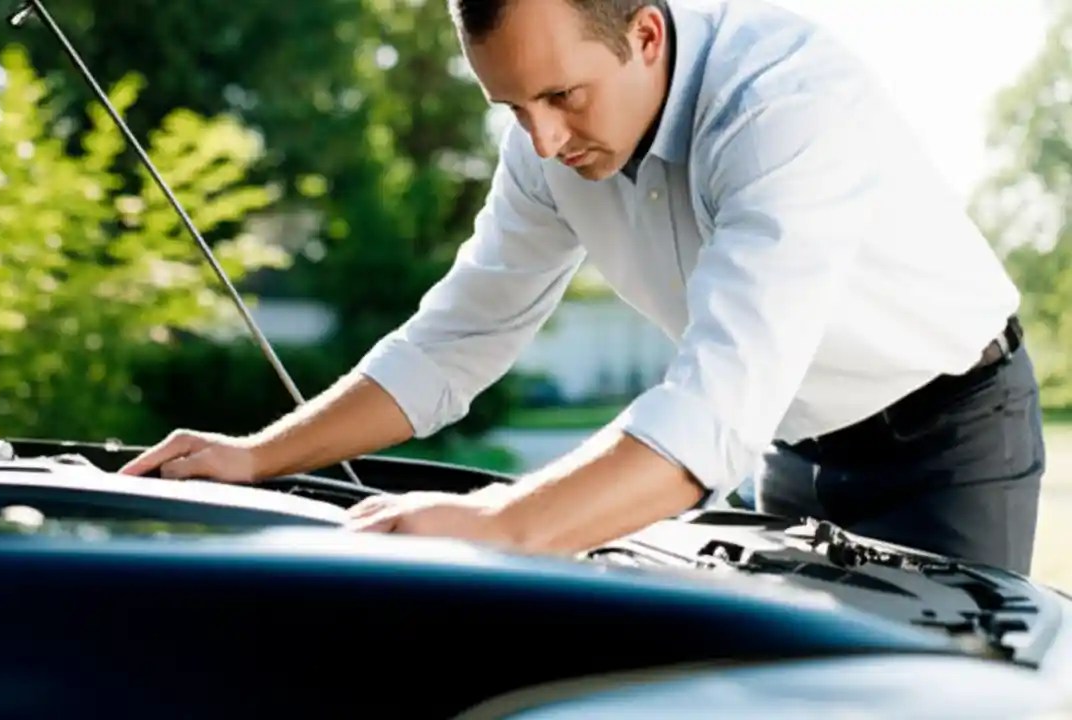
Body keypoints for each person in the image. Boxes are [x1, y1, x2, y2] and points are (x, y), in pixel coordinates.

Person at [120, 0, 1045, 573]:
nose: (542, 141)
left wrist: (502, 527)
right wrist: (257, 455)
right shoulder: (542, 148)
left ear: (646, 33)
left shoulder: (784, 106)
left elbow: (711, 408)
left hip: (948, 435)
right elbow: (454, 341)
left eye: (562, 97)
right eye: (512, 108)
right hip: (789, 444)